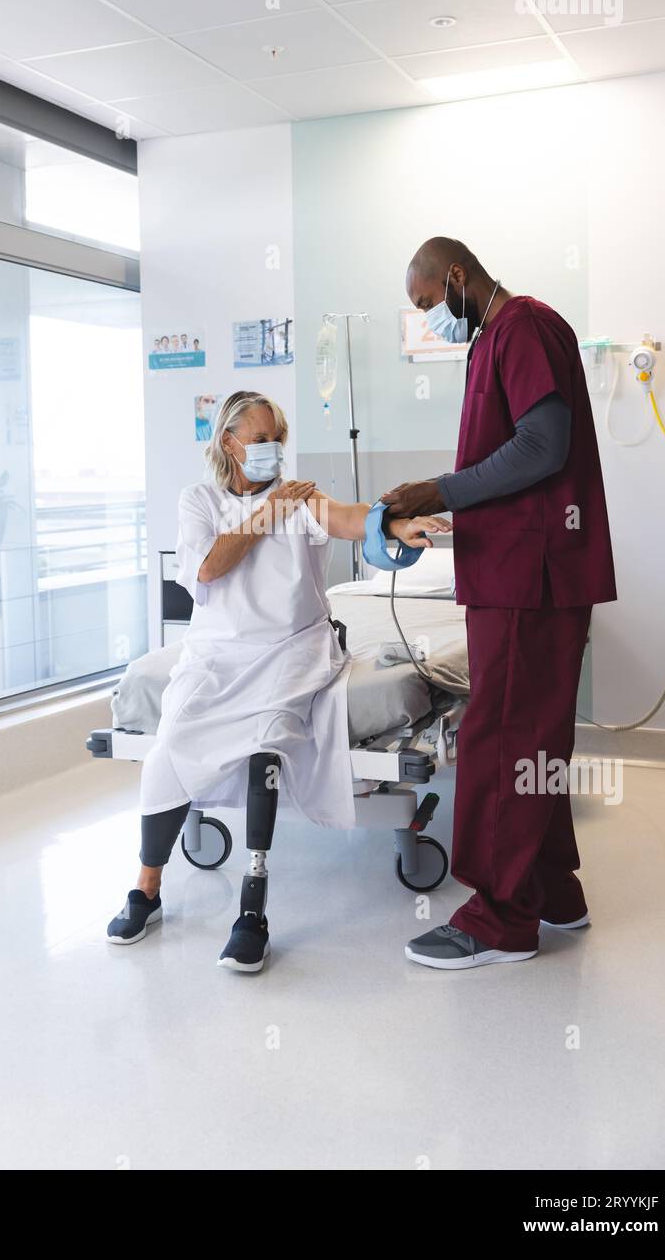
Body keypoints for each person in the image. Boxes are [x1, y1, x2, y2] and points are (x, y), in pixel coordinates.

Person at [107, 390, 449, 971]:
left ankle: (253, 906)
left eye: (277, 438)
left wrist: (395, 524)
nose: (271, 449)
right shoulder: (200, 500)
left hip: (292, 649)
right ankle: (147, 888)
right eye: (259, 438)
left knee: (269, 742)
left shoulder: (301, 497)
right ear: (228, 442)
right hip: (216, 655)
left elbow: (345, 519)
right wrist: (268, 513)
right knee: (168, 748)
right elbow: (208, 567)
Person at [383, 237, 616, 970]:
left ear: (454, 277)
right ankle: (551, 891)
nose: (431, 320)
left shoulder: (522, 327)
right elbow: (517, 457)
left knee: (502, 738)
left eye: (429, 304)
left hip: (529, 578)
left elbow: (543, 447)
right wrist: (457, 508)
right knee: (535, 741)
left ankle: (499, 920)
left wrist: (440, 489)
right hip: (520, 570)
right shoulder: (496, 337)